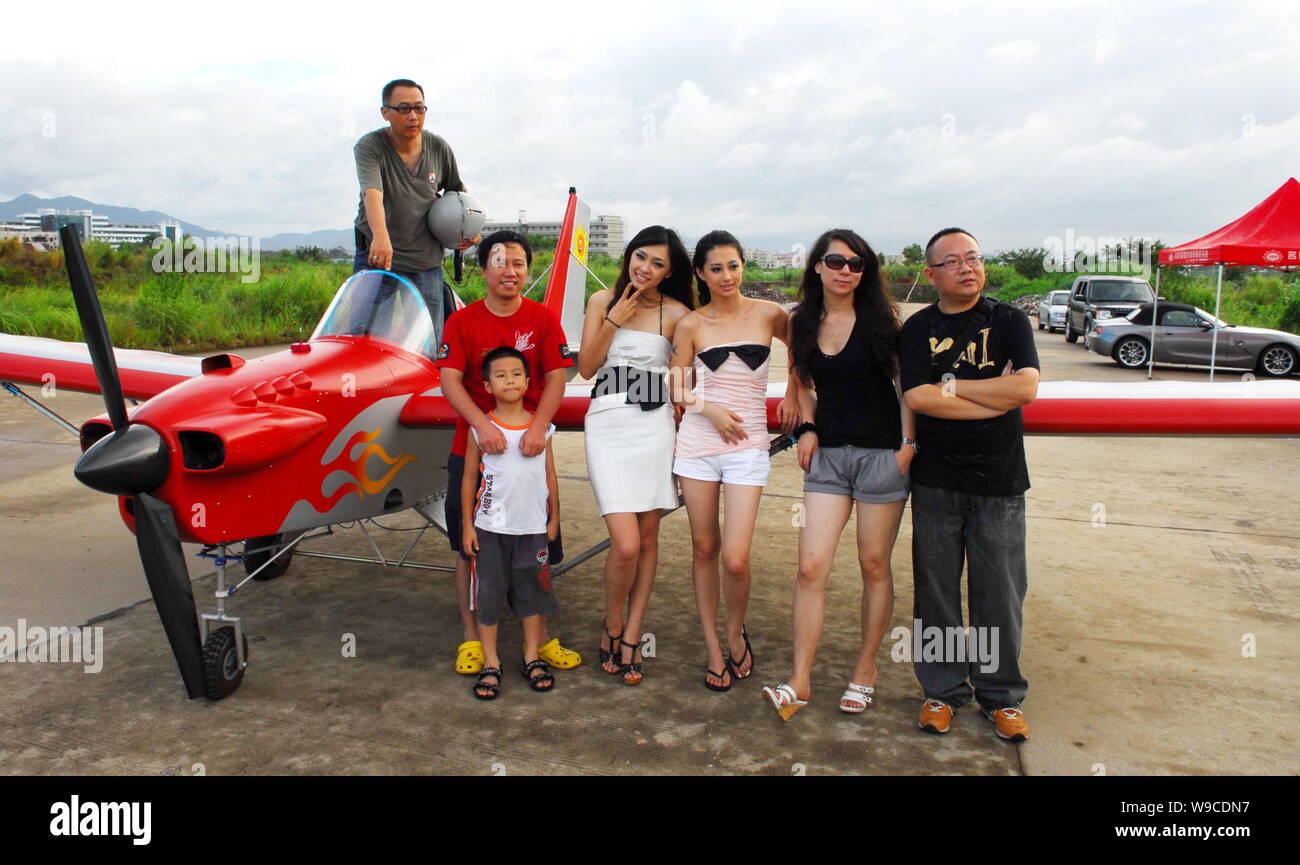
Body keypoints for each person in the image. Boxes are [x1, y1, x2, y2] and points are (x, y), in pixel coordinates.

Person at [761, 229, 916, 721]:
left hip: (880, 456)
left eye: (856, 264)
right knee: (811, 567)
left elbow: (906, 386)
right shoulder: (801, 322)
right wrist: (806, 426)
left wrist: (907, 449)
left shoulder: (883, 322)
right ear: (818, 267)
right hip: (827, 457)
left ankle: (865, 671)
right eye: (836, 261)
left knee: (873, 566)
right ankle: (800, 679)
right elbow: (804, 381)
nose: (846, 270)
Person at [899, 227, 1040, 743]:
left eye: (974, 258)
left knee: (999, 593)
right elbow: (917, 398)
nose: (967, 267)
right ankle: (942, 691)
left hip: (1000, 480)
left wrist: (953, 387)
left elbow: (1024, 387)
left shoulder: (1008, 319)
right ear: (931, 273)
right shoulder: (917, 329)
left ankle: (1001, 697)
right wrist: (992, 394)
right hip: (936, 478)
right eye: (953, 261)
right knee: (935, 590)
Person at [436, 230, 580, 676]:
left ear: (527, 270)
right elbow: (449, 380)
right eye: (500, 262)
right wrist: (480, 425)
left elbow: (558, 377)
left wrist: (539, 427)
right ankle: (471, 639)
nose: (509, 271)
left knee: (537, 548)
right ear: (483, 269)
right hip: (478, 450)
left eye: (518, 263)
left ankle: (541, 639)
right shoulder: (461, 323)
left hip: (531, 450)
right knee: (470, 549)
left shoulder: (542, 320)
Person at [671, 231, 798, 692]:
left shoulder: (770, 315)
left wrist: (796, 391)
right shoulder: (690, 325)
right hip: (698, 447)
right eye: (717, 268)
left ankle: (733, 629)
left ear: (744, 266)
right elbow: (676, 388)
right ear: (701, 274)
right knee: (704, 549)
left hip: (748, 447)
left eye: (734, 266)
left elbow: (804, 353)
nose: (727, 276)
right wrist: (711, 410)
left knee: (736, 558)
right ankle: (711, 646)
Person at [578, 226, 694, 685]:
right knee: (625, 543)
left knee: (647, 540)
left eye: (657, 263)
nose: (644, 268)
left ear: (669, 273)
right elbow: (586, 368)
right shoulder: (601, 301)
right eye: (640, 257)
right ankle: (611, 622)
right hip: (607, 422)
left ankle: (632, 633)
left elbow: (681, 381)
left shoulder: (680, 313)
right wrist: (614, 318)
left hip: (654, 426)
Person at [462, 347, 562, 699]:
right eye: (500, 375)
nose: (510, 380)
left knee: (531, 594)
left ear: (528, 381)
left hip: (532, 529)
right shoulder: (480, 430)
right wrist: (467, 525)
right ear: (487, 385)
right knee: (488, 597)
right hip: (489, 528)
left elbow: (549, 474)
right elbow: (468, 480)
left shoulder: (542, 428)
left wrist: (555, 517)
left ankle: (532, 655)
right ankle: (491, 662)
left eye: (517, 374)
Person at [352, 78, 475, 340]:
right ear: (385, 112)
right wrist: (380, 237)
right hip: (377, 259)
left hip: (424, 263)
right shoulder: (370, 146)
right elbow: (371, 190)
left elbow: (458, 194)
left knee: (427, 342)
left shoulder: (438, 148)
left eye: (419, 109)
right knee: (365, 339)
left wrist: (470, 231)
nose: (413, 116)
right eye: (404, 109)